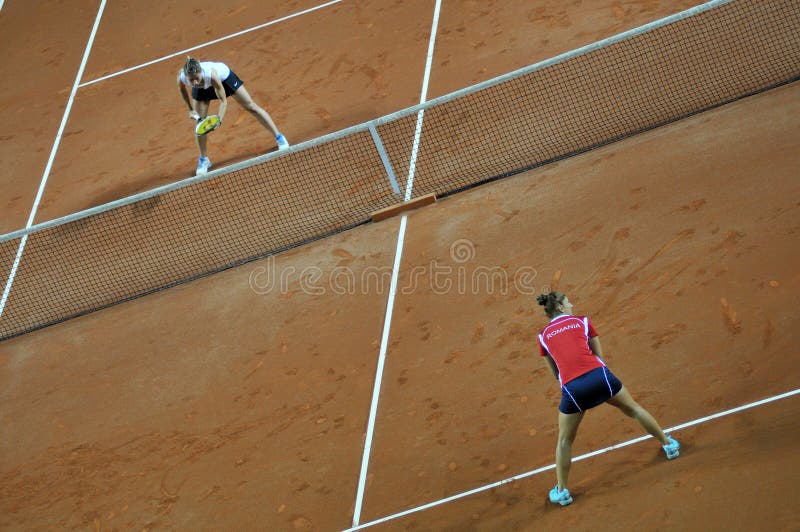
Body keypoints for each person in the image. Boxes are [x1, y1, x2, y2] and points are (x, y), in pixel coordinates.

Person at [535, 291, 680, 506]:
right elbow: (599, 356)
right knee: (633, 409)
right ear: (560, 307)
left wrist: (578, 391)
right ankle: (669, 445)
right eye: (568, 302)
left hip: (573, 391)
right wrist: (599, 383)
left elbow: (556, 373)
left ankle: (562, 492)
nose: (572, 304)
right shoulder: (583, 321)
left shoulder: (542, 337)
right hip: (600, 377)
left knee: (564, 440)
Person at [177, 56, 290, 175]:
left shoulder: (212, 75)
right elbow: (182, 90)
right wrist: (190, 109)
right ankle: (204, 160)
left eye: (196, 78)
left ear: (201, 72)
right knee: (201, 125)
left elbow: (223, 101)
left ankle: (280, 138)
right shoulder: (183, 77)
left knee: (251, 106)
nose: (194, 82)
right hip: (202, 89)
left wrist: (218, 119)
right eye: (191, 80)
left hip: (224, 80)